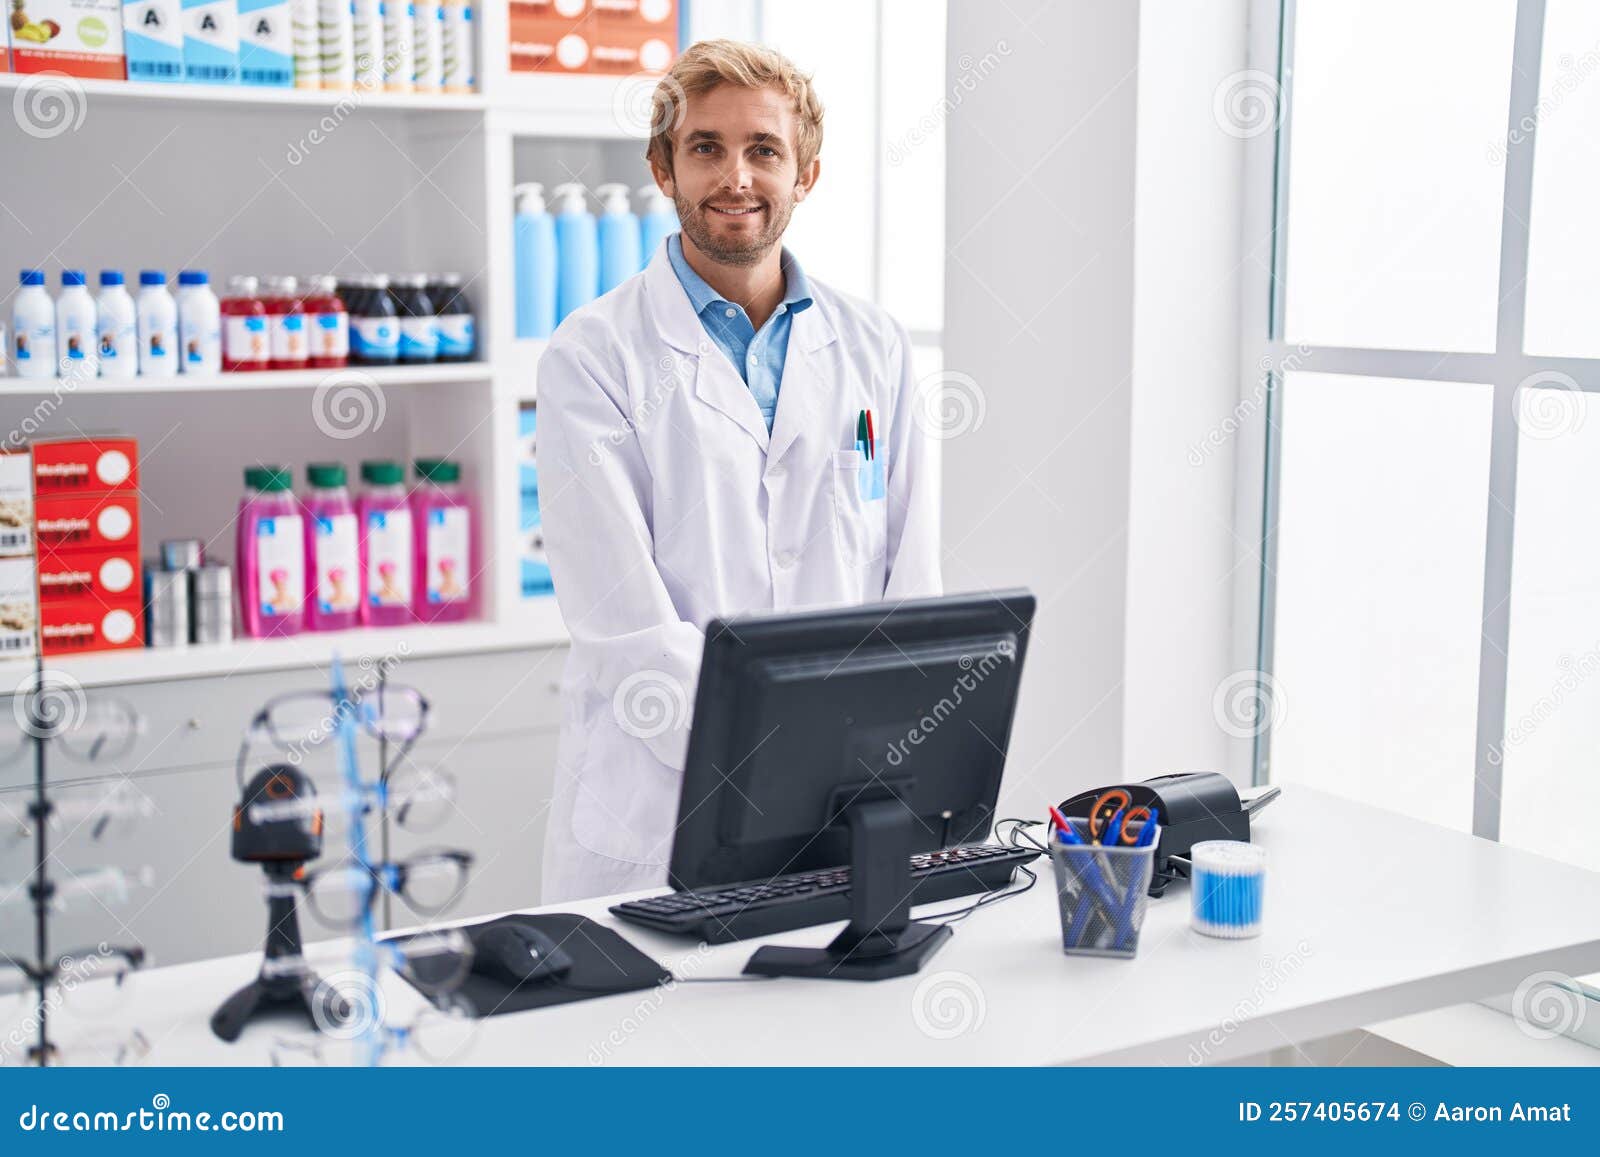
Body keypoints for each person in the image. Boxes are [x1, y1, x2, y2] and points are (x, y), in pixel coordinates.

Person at [538, 39, 941, 901]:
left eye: (765, 150)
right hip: (665, 801)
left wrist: (880, 751)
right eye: (706, 148)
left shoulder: (875, 346)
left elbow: (911, 580)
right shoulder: (593, 356)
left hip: (846, 803)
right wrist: (784, 756)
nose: (736, 178)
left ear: (806, 175)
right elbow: (625, 623)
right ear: (663, 167)